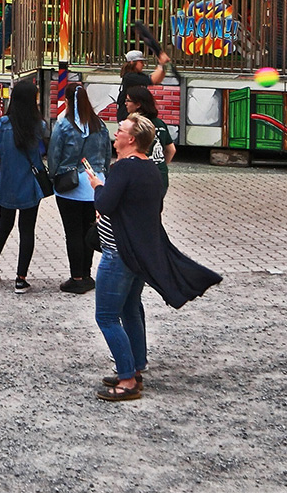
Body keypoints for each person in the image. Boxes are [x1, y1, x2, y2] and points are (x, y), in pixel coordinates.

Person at [86, 114, 221, 402]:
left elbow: (106, 204)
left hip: (119, 253)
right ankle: (135, 366)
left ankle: (127, 379)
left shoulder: (123, 168)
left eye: (120, 129)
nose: (116, 133)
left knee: (107, 316)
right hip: (138, 254)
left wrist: (97, 186)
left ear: (131, 139)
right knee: (131, 308)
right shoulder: (150, 169)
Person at [0, 81, 47, 294]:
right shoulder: (39, 126)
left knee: (3, 226)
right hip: (30, 186)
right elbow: (42, 154)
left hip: (7, 184)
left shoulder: (1, 124)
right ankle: (20, 278)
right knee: (27, 230)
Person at [47, 81, 112, 294]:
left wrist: (53, 176)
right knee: (89, 230)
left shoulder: (64, 124)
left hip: (71, 185)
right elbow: (107, 154)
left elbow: (55, 155)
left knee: (72, 233)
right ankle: (87, 274)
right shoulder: (99, 124)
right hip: (95, 183)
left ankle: (76, 277)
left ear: (67, 100)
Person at [121, 82, 177, 190]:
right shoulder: (160, 123)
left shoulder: (133, 125)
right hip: (160, 176)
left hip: (140, 176)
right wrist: (161, 165)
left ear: (138, 104)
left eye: (128, 100)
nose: (125, 103)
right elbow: (171, 150)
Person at [114, 50, 151, 122]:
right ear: (132, 62)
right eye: (141, 62)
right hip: (126, 115)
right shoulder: (130, 77)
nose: (143, 65)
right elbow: (150, 80)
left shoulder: (137, 75)